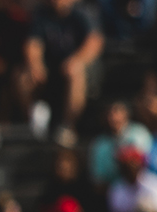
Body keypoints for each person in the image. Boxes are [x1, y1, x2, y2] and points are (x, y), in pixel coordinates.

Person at [20, 0, 100, 145]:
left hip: (82, 71)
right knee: (23, 78)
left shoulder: (82, 13)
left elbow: (94, 42)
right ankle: (33, 124)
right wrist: (35, 65)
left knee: (75, 72)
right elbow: (33, 44)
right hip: (52, 71)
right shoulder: (42, 13)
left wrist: (77, 60)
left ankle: (68, 126)